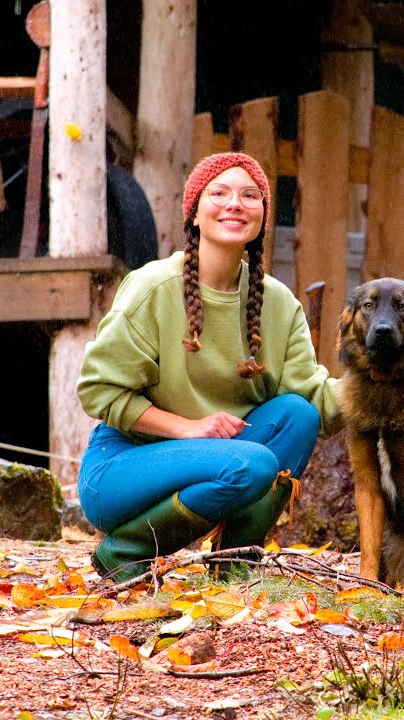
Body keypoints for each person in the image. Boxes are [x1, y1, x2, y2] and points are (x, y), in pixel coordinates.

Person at [77, 152, 340, 582]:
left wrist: (389, 385)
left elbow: (315, 401)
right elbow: (98, 391)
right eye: (219, 193)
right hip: (121, 469)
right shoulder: (153, 286)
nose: (234, 203)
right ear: (195, 214)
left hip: (222, 458)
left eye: (249, 195)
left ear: (262, 215)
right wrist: (188, 427)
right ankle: (124, 553)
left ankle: (234, 566)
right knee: (251, 465)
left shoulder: (278, 304)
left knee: (298, 415)